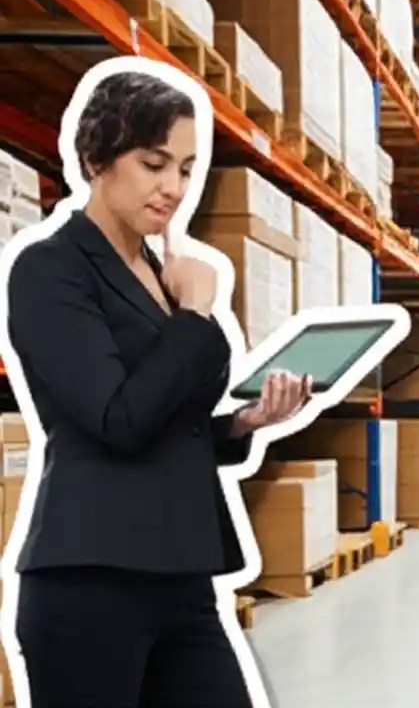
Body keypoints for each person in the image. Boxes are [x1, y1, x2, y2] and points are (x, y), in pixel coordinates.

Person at [5, 71, 310, 707]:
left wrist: (243, 424)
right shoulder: (49, 269)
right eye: (154, 164)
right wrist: (196, 317)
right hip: (91, 583)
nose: (173, 187)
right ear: (96, 159)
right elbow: (119, 417)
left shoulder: (160, 272)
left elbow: (177, 421)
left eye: (187, 169)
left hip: (181, 579)